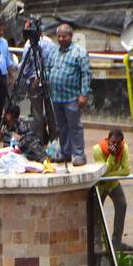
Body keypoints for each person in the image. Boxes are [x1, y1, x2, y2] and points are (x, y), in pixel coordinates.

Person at [46, 23, 91, 164]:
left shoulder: (80, 52)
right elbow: (48, 68)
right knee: (61, 126)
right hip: (56, 97)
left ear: (70, 36)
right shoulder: (53, 51)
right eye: (58, 36)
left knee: (75, 127)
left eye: (63, 36)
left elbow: (86, 74)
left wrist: (84, 94)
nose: (60, 39)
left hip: (72, 97)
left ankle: (79, 154)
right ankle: (65, 153)